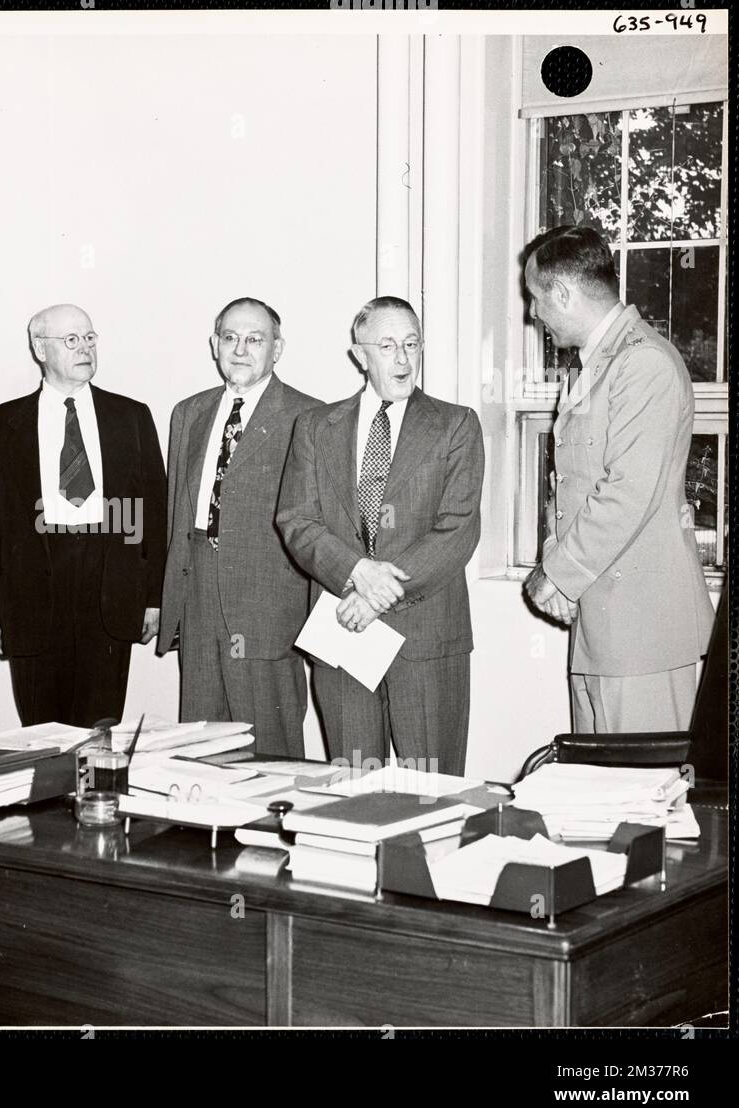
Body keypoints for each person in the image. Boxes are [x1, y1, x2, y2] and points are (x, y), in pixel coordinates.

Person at [276, 297, 484, 776]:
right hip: (342, 628)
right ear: (359, 354)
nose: (403, 359)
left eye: (412, 344)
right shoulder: (314, 427)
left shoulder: (455, 425)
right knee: (355, 785)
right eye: (387, 346)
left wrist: (375, 597)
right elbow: (297, 520)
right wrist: (355, 573)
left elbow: (457, 527)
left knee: (431, 792)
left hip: (426, 638)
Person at [521, 225, 713, 732]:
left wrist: (555, 575)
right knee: (596, 792)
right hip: (600, 621)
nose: (532, 313)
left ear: (562, 293)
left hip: (643, 630)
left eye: (536, 298)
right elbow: (571, 487)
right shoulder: (591, 366)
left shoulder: (643, 362)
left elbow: (626, 494)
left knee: (642, 798)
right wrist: (558, 568)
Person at [0, 304, 167, 726]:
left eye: (90, 338)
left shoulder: (131, 417)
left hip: (109, 595)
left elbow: (153, 513)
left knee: (99, 734)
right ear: (40, 348)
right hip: (32, 599)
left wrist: (154, 599)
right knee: (44, 738)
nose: (84, 348)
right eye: (70, 340)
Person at [157, 298, 320, 759]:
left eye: (255, 339)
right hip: (199, 600)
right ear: (214, 345)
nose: (241, 349)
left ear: (278, 348)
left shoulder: (309, 417)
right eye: (230, 338)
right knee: (200, 750)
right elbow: (177, 513)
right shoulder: (188, 413)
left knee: (270, 751)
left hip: (270, 605)